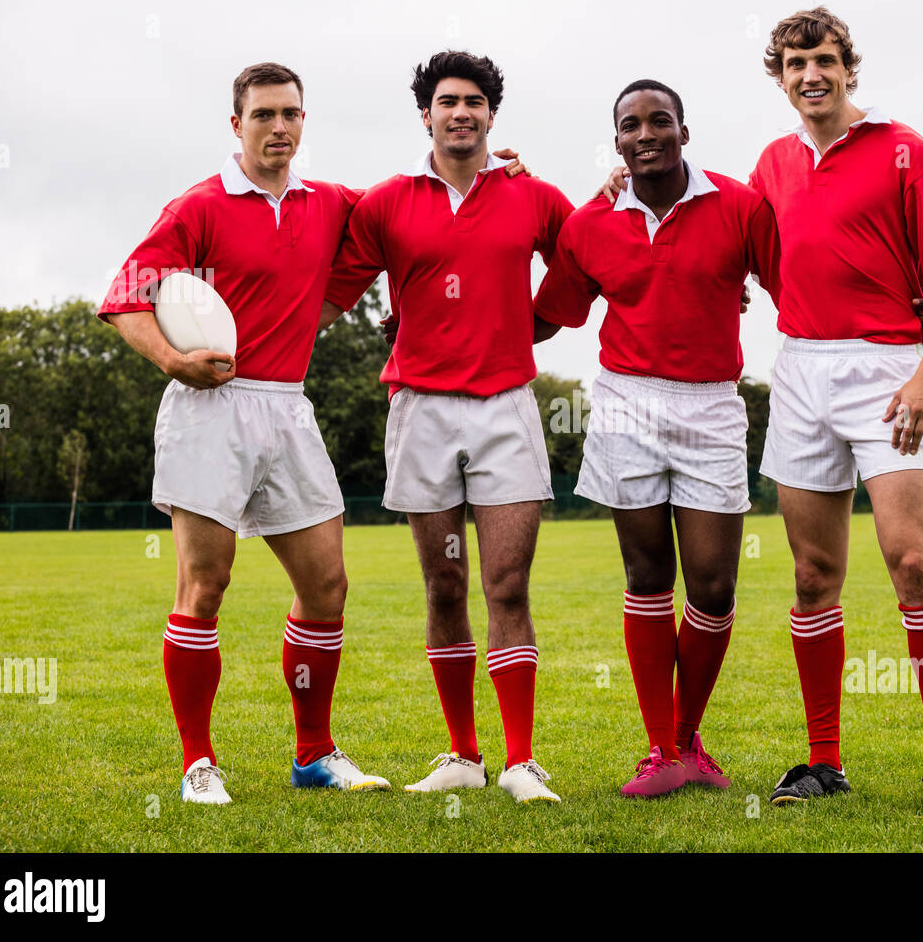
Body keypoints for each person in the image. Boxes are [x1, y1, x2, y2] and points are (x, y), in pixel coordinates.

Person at [98, 62, 390, 803]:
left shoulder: (331, 203)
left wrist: (494, 172)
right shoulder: (198, 206)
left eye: (291, 114)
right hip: (209, 410)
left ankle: (314, 755)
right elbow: (128, 292)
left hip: (289, 406)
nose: (279, 128)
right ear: (237, 125)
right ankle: (199, 763)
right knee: (206, 584)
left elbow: (405, 218)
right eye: (263, 115)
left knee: (327, 586)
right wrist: (173, 359)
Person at [746, 7, 923, 809]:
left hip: (890, 370)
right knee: (813, 575)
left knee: (912, 562)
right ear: (779, 79)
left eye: (823, 58)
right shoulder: (772, 163)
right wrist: (617, 189)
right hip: (801, 370)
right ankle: (822, 764)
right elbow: (735, 248)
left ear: (849, 66)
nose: (809, 73)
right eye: (793, 64)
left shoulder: (905, 149)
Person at [322, 50, 574, 804]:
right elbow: (331, 288)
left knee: (507, 583)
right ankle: (462, 754)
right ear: (426, 114)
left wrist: (522, 327)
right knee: (444, 584)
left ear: (492, 116)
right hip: (420, 409)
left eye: (474, 102)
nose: (460, 112)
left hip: (506, 407)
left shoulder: (535, 197)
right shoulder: (385, 201)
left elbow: (583, 269)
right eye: (446, 101)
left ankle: (522, 762)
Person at [534, 80, 781, 798]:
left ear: (684, 130)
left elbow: (793, 288)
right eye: (630, 125)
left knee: (713, 584)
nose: (646, 133)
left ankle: (685, 738)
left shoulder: (740, 207)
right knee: (647, 578)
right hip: (624, 404)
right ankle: (664, 750)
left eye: (659, 121)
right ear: (616, 141)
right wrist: (434, 323)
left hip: (710, 407)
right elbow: (550, 315)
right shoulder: (591, 223)